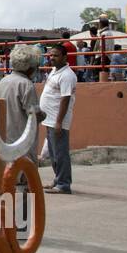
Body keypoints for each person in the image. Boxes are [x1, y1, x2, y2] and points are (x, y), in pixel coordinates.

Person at [0, 44, 45, 235]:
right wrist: (43, 115)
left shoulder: (3, 82)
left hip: (3, 139)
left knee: (4, 183)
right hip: (21, 141)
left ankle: (5, 223)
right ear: (31, 67)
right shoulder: (26, 85)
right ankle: (20, 226)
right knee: (22, 185)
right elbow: (33, 113)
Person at [39, 44, 76, 195]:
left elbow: (65, 99)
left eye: (55, 55)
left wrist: (59, 122)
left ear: (64, 57)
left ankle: (63, 184)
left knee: (60, 153)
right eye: (50, 55)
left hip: (57, 120)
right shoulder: (55, 71)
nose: (51, 58)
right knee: (54, 153)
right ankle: (58, 179)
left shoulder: (67, 75)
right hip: (50, 119)